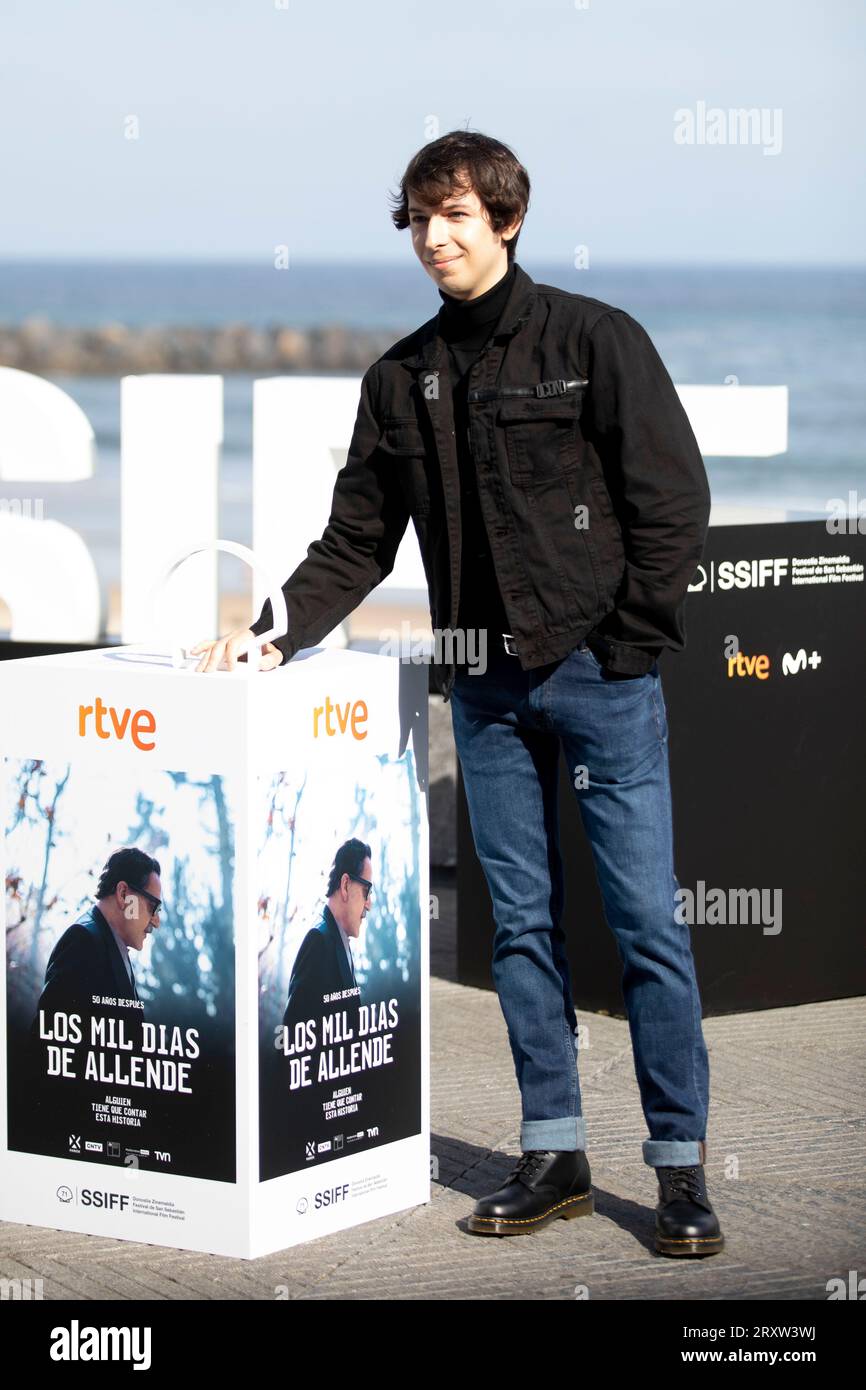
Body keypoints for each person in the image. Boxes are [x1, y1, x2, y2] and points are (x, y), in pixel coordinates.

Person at [190, 130, 723, 1256]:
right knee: (521, 929)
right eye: (419, 219)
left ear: (508, 220)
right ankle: (554, 1154)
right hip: (481, 688)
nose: (434, 236)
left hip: (598, 679)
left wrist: (625, 645)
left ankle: (679, 1169)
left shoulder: (594, 339)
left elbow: (670, 500)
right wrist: (271, 636)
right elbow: (354, 541)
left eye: (457, 215)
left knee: (644, 929)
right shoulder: (399, 377)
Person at [32, 847, 162, 1032]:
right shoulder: (83, 943)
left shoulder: (111, 946)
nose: (156, 921)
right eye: (153, 906)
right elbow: (48, 1041)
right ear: (124, 894)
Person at [283, 838, 370, 1031]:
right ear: (346, 885)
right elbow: (295, 1035)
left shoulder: (339, 942)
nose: (369, 904)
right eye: (367, 891)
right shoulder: (318, 942)